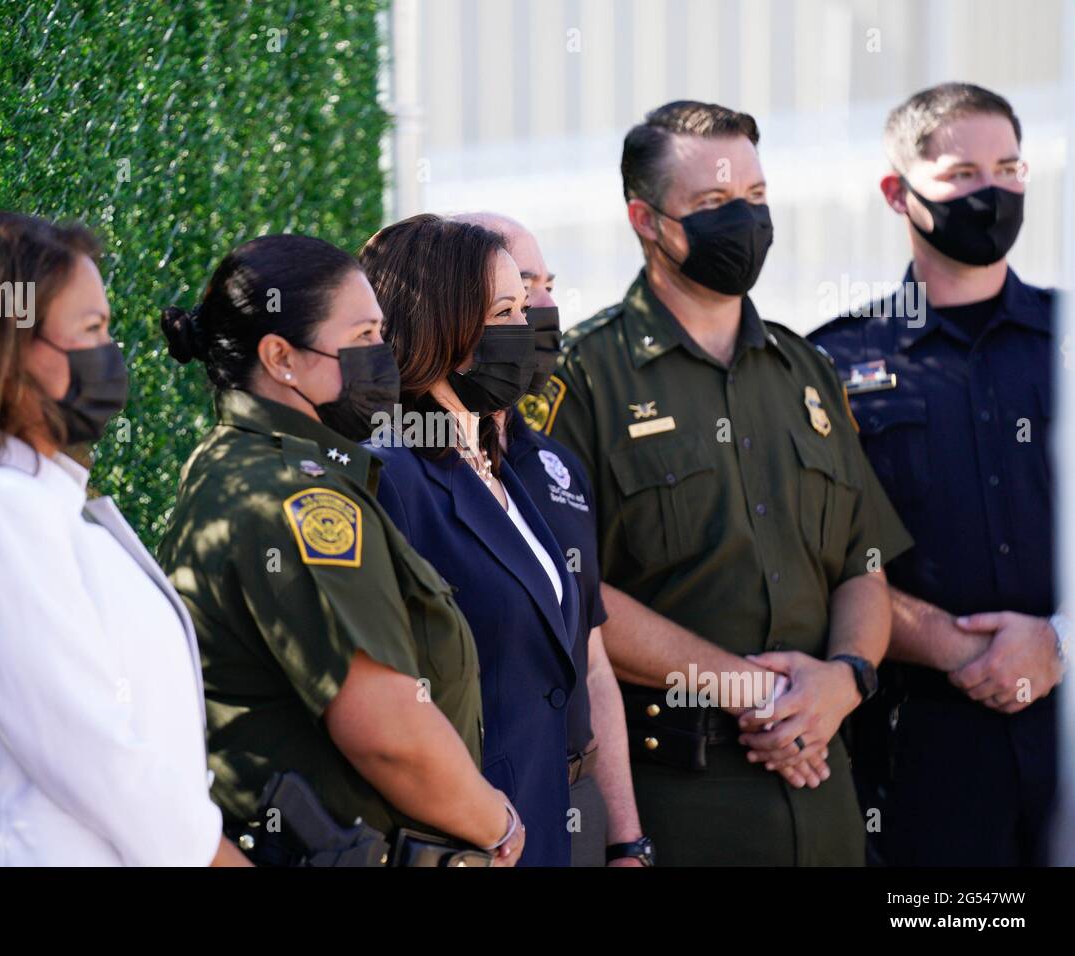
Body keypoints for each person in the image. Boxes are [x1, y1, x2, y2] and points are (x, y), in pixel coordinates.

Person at [543, 101, 913, 865]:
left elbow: (862, 562)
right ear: (646, 219)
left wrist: (844, 680)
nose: (743, 221)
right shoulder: (580, 381)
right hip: (678, 804)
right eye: (713, 204)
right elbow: (566, 592)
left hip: (825, 794)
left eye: (754, 198)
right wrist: (749, 689)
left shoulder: (805, 370)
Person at [0, 211, 243, 866]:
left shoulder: (34, 501)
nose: (110, 353)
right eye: (90, 330)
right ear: (3, 352)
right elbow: (95, 752)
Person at [157, 233, 523, 867]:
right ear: (281, 358)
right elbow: (387, 732)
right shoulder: (297, 500)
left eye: (381, 334)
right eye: (361, 339)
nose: (383, 357)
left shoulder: (243, 465)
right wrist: (498, 823)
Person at [809, 82, 1063, 866]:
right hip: (920, 753)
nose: (993, 192)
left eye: (1010, 168)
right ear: (899, 192)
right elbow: (823, 555)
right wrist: (957, 648)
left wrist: (1058, 642)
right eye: (962, 175)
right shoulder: (832, 362)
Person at [359, 214, 579, 867]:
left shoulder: (492, 464)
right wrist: (490, 825)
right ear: (444, 323)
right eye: (505, 311)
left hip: (537, 828)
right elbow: (386, 706)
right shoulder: (392, 472)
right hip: (470, 842)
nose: (527, 330)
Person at [453, 211, 648, 868]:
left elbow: (593, 662)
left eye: (546, 285)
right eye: (518, 294)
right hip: (489, 813)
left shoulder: (557, 468)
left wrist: (627, 839)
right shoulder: (412, 469)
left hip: (578, 803)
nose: (545, 307)